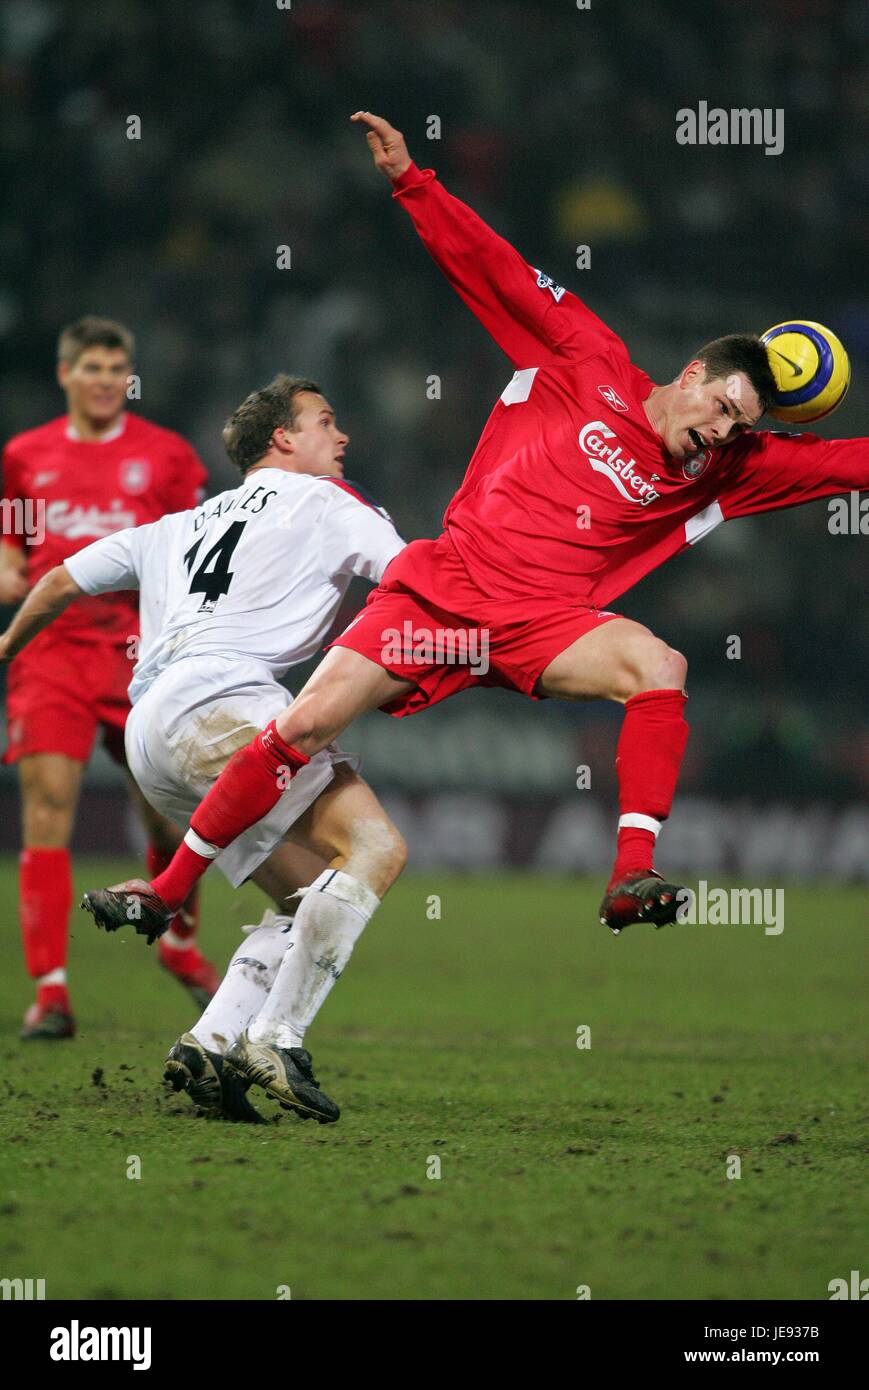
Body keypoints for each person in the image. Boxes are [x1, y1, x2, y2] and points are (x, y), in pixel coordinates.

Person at [76, 108, 869, 943]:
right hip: (444, 592)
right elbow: (494, 269)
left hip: (541, 623)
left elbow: (851, 463)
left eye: (742, 426)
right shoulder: (585, 358)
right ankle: (165, 891)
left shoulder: (735, 466)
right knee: (302, 726)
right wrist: (414, 184)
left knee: (657, 663)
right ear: (692, 372)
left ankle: (631, 870)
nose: (722, 432)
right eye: (720, 409)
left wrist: (751, 442)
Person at [0, 374, 407, 1123]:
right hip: (230, 707)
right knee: (375, 849)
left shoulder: (175, 525)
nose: (341, 436)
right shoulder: (330, 503)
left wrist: (4, 647)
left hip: (150, 728)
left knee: (302, 901)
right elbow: (410, 582)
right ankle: (277, 1038)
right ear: (284, 438)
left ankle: (210, 1039)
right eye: (326, 420)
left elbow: (57, 581)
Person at [0, 316, 219, 1039]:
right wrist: (10, 577)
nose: (104, 379)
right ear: (65, 373)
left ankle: (178, 942)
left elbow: (194, 551)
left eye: (115, 367)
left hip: (138, 653)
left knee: (168, 813)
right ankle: (51, 993)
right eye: (90, 366)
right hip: (52, 654)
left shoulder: (165, 458)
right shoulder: (25, 457)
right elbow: (14, 545)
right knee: (45, 811)